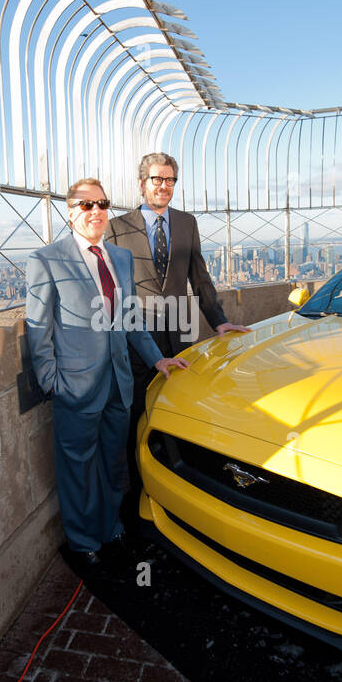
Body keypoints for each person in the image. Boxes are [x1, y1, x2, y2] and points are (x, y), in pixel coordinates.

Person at [25, 178, 188, 568]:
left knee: (114, 461)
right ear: (70, 212)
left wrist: (156, 360)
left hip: (119, 381)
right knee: (78, 466)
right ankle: (83, 541)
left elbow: (130, 317)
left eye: (102, 204)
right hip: (75, 387)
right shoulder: (45, 259)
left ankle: (111, 527)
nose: (96, 211)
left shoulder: (120, 258)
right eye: (86, 206)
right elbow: (38, 328)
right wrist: (52, 383)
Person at [107, 153, 251, 468]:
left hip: (179, 334)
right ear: (142, 182)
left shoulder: (187, 223)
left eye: (170, 179)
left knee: (177, 411)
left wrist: (220, 322)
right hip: (136, 339)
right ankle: (137, 484)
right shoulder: (116, 228)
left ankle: (177, 472)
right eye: (157, 179)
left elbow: (199, 277)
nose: (164, 186)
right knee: (135, 416)